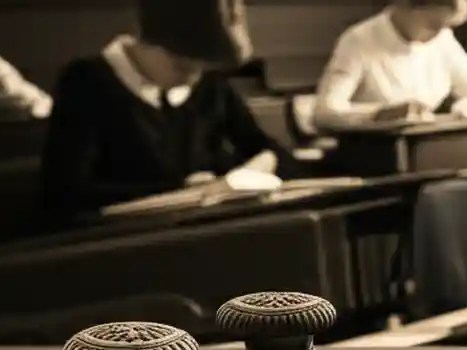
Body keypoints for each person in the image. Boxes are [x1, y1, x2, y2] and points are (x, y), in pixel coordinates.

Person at [40, 0, 285, 218]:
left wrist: (262, 163)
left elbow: (266, 148)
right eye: (181, 67)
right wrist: (180, 189)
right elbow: (65, 194)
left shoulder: (210, 83)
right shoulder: (86, 82)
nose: (193, 79)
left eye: (201, 68)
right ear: (148, 42)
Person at [310, 0, 467, 129]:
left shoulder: (443, 40)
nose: (440, 33)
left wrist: (463, 112)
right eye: (433, 25)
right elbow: (325, 112)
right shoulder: (359, 40)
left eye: (446, 26)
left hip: (425, 148)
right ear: (407, 8)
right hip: (372, 152)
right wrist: (380, 115)